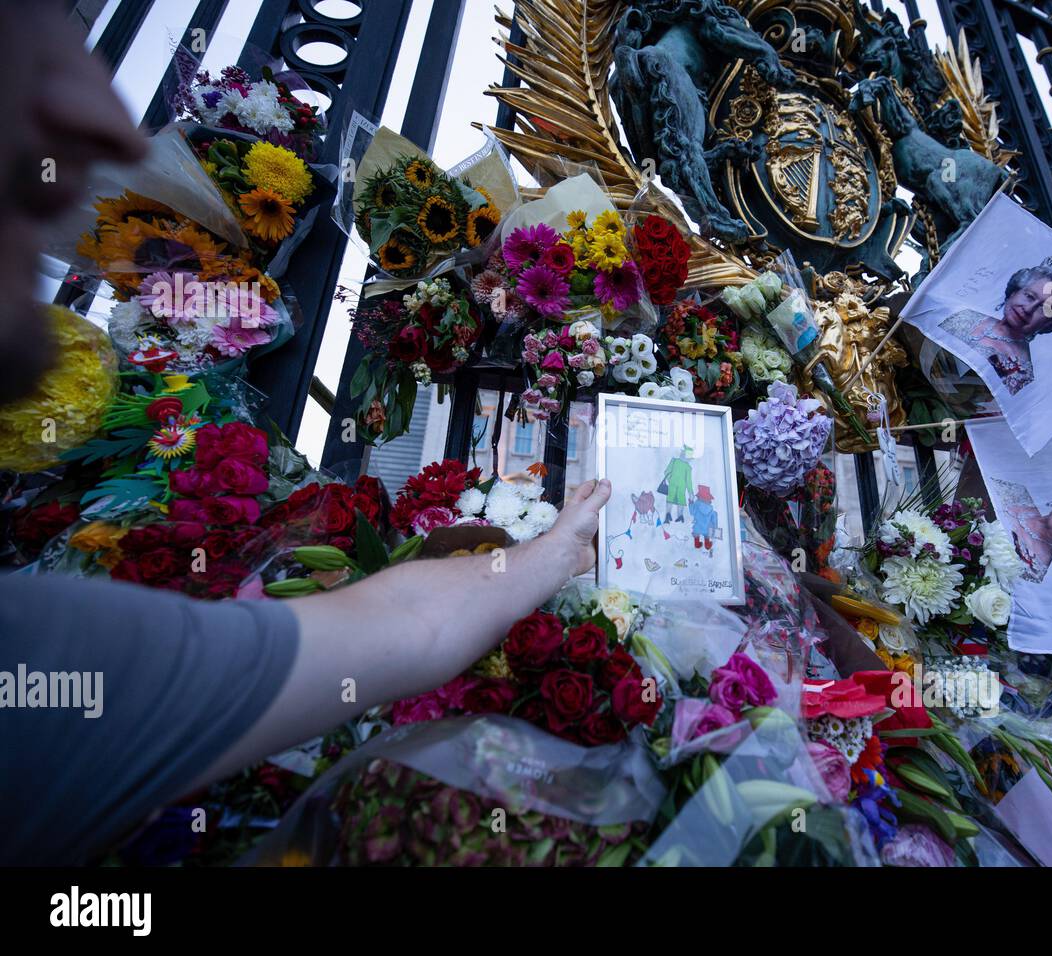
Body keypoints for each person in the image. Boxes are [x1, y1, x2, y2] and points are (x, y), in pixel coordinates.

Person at [0, 5, 611, 865]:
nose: (103, 121)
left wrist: (552, 550)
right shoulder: (41, 663)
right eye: (22, 41)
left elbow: (392, 631)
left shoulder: (46, 653)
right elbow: (394, 634)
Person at [938, 257, 1052, 395]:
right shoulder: (965, 317)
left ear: (1050, 322)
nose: (1028, 309)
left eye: (1044, 308)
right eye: (1029, 296)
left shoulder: (1022, 373)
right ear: (1014, 292)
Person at [660, 444, 693, 523]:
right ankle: (677, 516)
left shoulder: (682, 465)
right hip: (680, 487)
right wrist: (690, 492)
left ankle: (674, 516)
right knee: (678, 500)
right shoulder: (679, 463)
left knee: (671, 499)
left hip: (676, 486)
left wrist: (670, 480)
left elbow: (666, 472)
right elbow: (688, 481)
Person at [689, 484, 718, 554]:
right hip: (706, 528)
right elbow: (714, 521)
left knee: (696, 534)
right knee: (707, 536)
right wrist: (715, 528)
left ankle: (697, 544)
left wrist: (691, 503)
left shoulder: (696, 505)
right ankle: (707, 545)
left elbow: (692, 512)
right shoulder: (711, 509)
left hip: (698, 527)